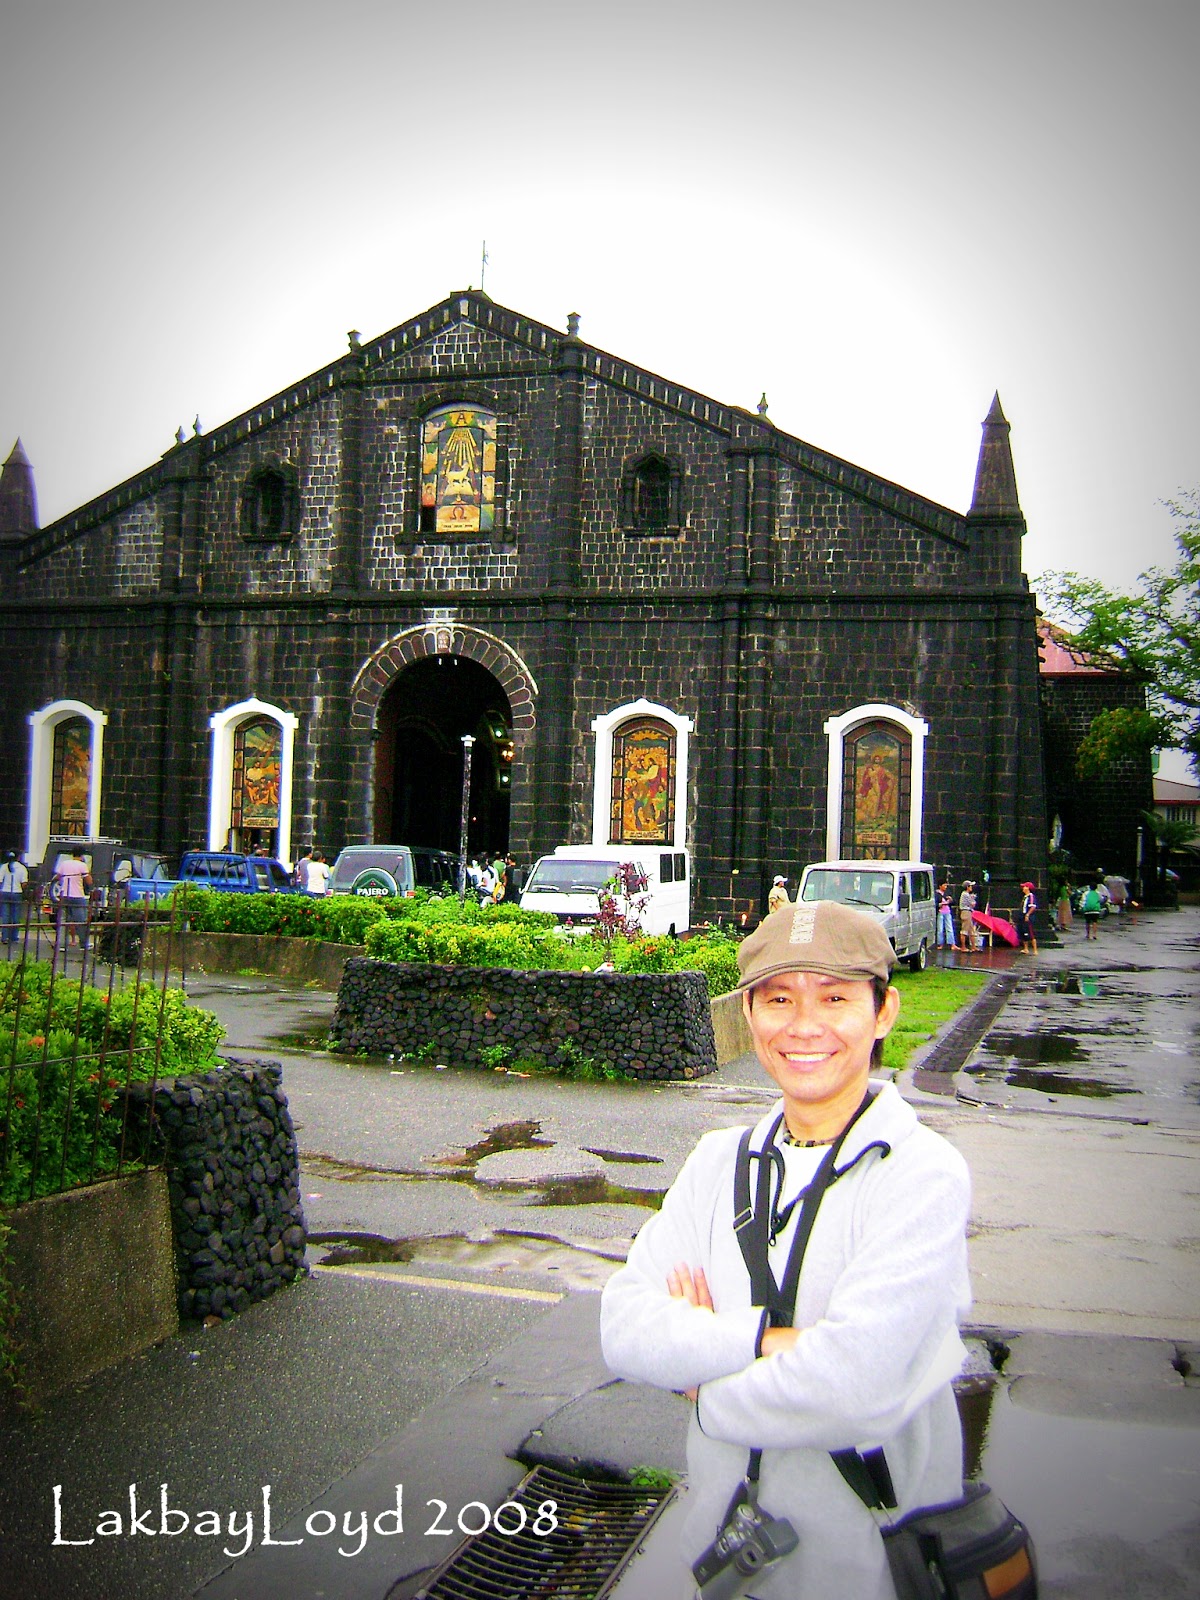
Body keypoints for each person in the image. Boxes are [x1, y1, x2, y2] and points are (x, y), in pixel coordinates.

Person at [601, 900, 971, 1599]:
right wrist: (771, 1343)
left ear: (883, 1011)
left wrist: (703, 1379)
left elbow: (850, 1388)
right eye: (778, 999)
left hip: (866, 1572)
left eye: (834, 998)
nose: (804, 1026)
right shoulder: (718, 1162)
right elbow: (624, 1328)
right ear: (749, 1012)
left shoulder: (920, 1175)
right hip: (723, 1561)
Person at [53, 847, 92, 949]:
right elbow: (89, 881)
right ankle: (84, 944)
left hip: (65, 895)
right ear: (82, 855)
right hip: (77, 896)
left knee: (63, 921)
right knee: (81, 921)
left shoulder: (65, 863)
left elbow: (58, 876)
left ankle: (61, 945)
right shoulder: (82, 865)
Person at [0, 851, 28, 945]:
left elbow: (0, 880)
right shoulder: (22, 868)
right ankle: (14, 937)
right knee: (15, 916)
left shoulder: (4, 867)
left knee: (5, 915)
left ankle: (4, 937)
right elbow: (24, 883)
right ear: (18, 857)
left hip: (5, 892)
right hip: (17, 892)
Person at [1017, 881, 1038, 955]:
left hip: (1028, 916)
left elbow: (1033, 906)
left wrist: (1028, 914)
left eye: (1024, 887)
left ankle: (1035, 949)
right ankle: (1025, 948)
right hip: (1022, 915)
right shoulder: (1025, 897)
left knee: (1030, 931)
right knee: (1023, 932)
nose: (1023, 888)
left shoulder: (1031, 896)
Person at [935, 879, 957, 949]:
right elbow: (935, 904)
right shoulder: (936, 894)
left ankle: (952, 944)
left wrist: (950, 900)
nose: (946, 887)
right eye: (944, 885)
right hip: (940, 912)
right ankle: (940, 944)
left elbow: (953, 902)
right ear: (940, 886)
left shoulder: (947, 893)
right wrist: (939, 904)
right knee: (940, 929)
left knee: (949, 928)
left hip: (947, 912)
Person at [958, 879, 978, 952]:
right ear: (967, 887)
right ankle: (963, 947)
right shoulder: (965, 894)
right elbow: (972, 904)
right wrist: (973, 899)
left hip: (968, 912)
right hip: (966, 912)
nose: (971, 887)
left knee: (971, 930)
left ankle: (973, 946)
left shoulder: (966, 894)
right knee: (964, 930)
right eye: (970, 886)